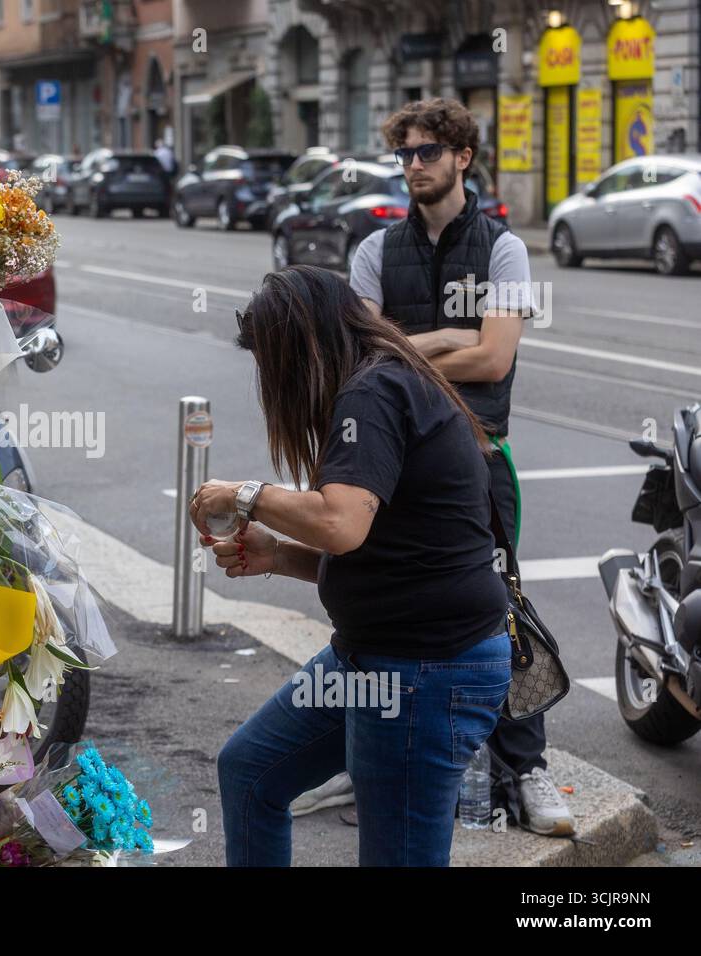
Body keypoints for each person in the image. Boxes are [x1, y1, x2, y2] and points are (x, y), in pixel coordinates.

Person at [193, 265, 511, 866]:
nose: (270, 382)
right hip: (376, 657)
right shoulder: (384, 382)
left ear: (300, 350)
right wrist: (281, 554)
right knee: (251, 771)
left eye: (270, 363)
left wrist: (242, 495)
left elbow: (340, 523)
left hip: (423, 670)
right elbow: (394, 556)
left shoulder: (372, 391)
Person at [346, 97, 572, 836]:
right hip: (393, 458)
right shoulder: (375, 250)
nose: (414, 166)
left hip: (479, 454)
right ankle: (370, 751)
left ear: (462, 158)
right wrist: (450, 338)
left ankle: (526, 768)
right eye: (405, 154)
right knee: (377, 592)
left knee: (498, 604)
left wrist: (419, 340)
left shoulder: (504, 248)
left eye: (428, 153)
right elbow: (361, 354)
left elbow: (496, 356)